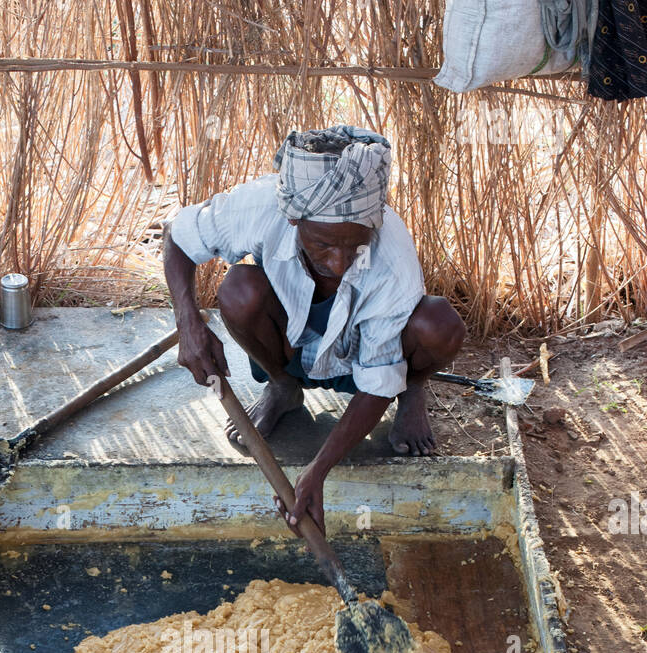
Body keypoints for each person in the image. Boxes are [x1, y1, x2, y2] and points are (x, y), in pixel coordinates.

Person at [163, 126, 466, 534]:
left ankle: (411, 388)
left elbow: (375, 384)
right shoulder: (261, 205)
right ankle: (282, 386)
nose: (339, 263)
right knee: (238, 289)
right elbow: (178, 237)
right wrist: (188, 323)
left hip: (366, 358)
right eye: (323, 244)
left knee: (438, 324)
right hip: (293, 343)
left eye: (353, 246)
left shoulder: (393, 258)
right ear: (294, 219)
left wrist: (318, 470)